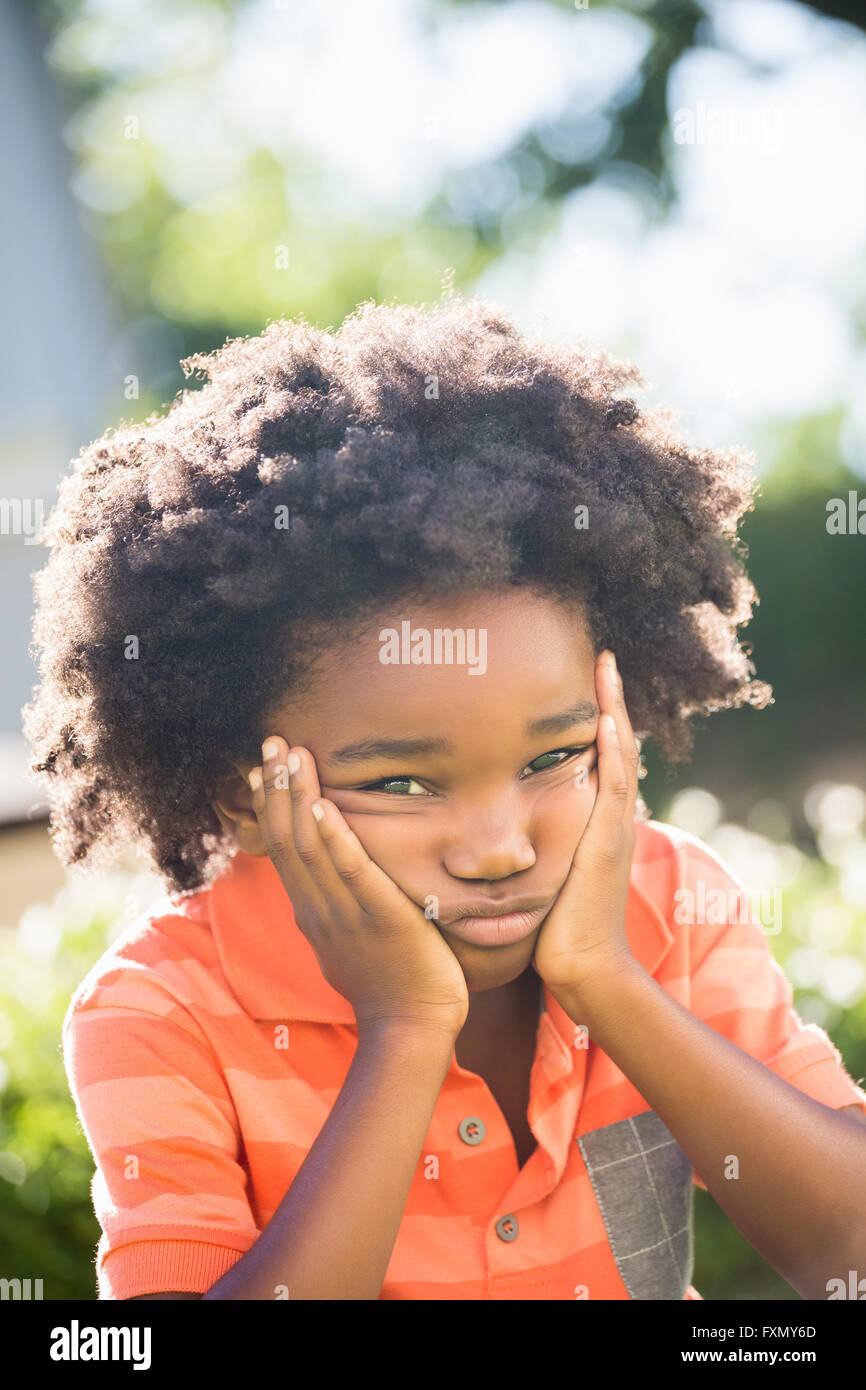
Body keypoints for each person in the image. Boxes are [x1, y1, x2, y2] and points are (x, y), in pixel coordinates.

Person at [24, 291, 866, 1300]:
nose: (499, 845)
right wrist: (405, 1027)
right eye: (404, 781)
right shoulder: (165, 1009)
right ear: (239, 792)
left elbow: (846, 1253)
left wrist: (608, 980)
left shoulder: (667, 901)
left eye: (552, 757)